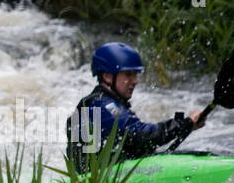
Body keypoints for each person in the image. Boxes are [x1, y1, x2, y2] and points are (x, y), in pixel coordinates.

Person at [65, 42, 207, 173]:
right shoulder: (101, 106)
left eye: (135, 75)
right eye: (128, 74)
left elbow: (136, 144)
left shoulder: (108, 103)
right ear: (108, 76)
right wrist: (184, 123)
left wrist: (187, 126)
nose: (135, 81)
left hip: (106, 175)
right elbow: (139, 136)